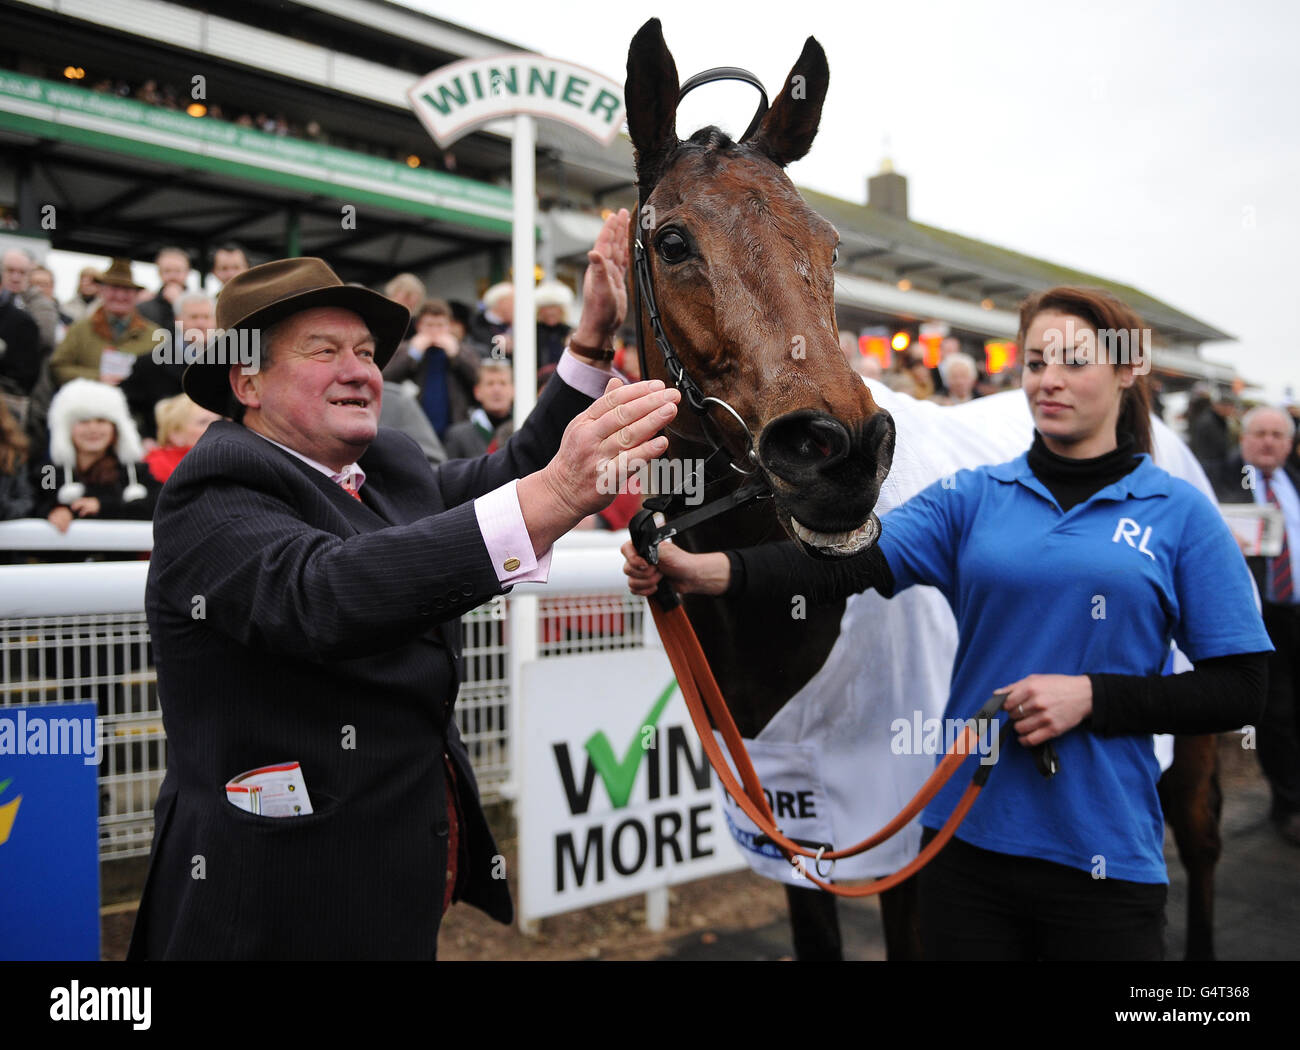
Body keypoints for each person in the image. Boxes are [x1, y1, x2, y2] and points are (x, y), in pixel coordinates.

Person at [624, 285, 1270, 961]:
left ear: (1124, 371)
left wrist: (1095, 697)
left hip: (1101, 856)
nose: (1048, 380)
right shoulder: (975, 496)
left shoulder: (1181, 514)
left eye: (1073, 361)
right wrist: (703, 571)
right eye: (1035, 361)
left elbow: (1239, 689)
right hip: (965, 852)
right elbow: (843, 565)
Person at [127, 209, 682, 960]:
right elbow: (322, 596)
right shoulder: (213, 489)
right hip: (268, 905)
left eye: (365, 351)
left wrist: (587, 343)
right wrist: (553, 497)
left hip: (395, 883)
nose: (360, 369)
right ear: (245, 381)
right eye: (324, 351)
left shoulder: (387, 466)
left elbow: (508, 472)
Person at [1216, 405, 1300, 845]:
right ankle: (1288, 805)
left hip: (1297, 610)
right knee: (1277, 712)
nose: (1269, 442)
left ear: (1289, 443)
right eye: (1260, 433)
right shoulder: (1219, 481)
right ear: (1243, 437)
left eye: (1277, 435)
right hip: (1258, 616)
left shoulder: (1293, 480)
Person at [34, 378, 158, 534]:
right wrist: (54, 510)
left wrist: (103, 506)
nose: (93, 429)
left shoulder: (133, 472)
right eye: (83, 421)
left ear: (116, 429)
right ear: (66, 429)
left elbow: (156, 503)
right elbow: (38, 500)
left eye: (101, 421)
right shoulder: (49, 471)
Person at [50, 259, 158, 387]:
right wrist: (97, 378)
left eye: (126, 290)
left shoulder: (155, 336)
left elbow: (163, 376)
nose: (120, 295)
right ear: (102, 291)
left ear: (136, 294)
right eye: (114, 288)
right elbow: (58, 368)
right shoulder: (79, 330)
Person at [122, 291, 215, 441]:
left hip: (218, 448)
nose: (201, 324)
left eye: (206, 317)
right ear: (178, 320)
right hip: (163, 450)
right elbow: (127, 406)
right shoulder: (148, 364)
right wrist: (142, 438)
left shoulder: (232, 364)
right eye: (193, 317)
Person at [381, 299, 480, 439]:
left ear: (449, 326)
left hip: (454, 427)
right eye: (429, 325)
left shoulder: (464, 351)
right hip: (414, 428)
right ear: (419, 326)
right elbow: (385, 378)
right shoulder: (404, 349)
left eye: (440, 325)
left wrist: (456, 355)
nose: (434, 331)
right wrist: (413, 355)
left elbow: (479, 380)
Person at [443, 360, 513, 459]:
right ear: (477, 392)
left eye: (503, 383)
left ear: (513, 390)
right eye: (490, 384)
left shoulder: (521, 430)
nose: (496, 390)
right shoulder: (458, 436)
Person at [143, 393, 221, 483]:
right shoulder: (154, 470)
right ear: (176, 435)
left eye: (219, 420)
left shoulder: (227, 456)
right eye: (203, 422)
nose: (218, 427)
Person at [137, 247, 193, 329]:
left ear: (187, 272)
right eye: (167, 271)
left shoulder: (202, 306)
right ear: (159, 273)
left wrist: (178, 303)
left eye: (178, 271)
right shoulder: (144, 307)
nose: (173, 276)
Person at [535, 281, 574, 368]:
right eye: (546, 307)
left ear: (562, 310)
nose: (550, 312)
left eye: (554, 307)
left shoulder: (570, 332)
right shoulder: (531, 332)